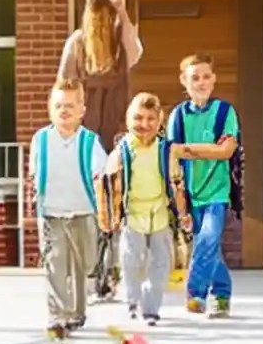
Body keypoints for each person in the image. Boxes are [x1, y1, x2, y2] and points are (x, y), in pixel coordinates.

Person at [96, 93, 190, 326]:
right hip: (132, 215)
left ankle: (151, 307)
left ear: (159, 121)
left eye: (150, 119)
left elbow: (177, 184)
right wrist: (108, 216)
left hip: (159, 214)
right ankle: (133, 301)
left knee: (161, 263)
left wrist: (182, 214)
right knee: (130, 261)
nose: (144, 124)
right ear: (128, 119)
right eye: (138, 118)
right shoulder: (123, 151)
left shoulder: (165, 151)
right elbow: (108, 186)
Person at [29, 79, 107, 339]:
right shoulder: (41, 140)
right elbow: (35, 174)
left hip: (84, 211)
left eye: (70, 106)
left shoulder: (89, 141)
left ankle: (76, 311)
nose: (64, 111)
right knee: (55, 264)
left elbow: (100, 173)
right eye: (59, 105)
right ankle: (57, 316)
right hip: (52, 212)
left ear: (81, 110)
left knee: (82, 265)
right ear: (50, 109)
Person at [168, 54, 241, 318]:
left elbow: (226, 152)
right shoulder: (177, 115)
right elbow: (173, 153)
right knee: (208, 246)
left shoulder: (224, 112)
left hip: (218, 192)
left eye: (206, 76)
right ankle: (222, 295)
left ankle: (196, 293)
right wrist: (206, 150)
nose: (201, 82)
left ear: (214, 79)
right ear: (183, 81)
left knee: (208, 238)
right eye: (194, 77)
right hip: (190, 193)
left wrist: (189, 149)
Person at [57, 0, 143, 153]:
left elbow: (135, 53)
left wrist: (122, 11)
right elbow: (64, 86)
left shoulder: (119, 42)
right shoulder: (77, 43)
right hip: (83, 126)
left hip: (116, 121)